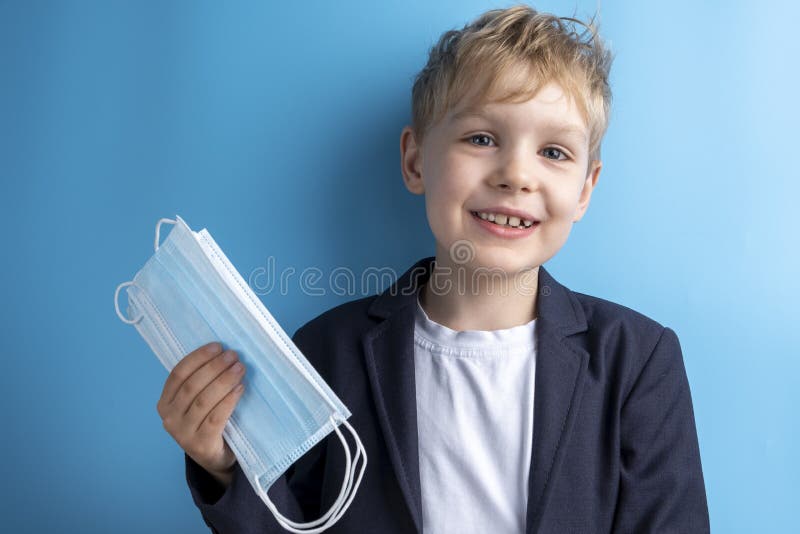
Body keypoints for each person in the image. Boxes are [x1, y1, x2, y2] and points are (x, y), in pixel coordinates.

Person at [156, 4, 710, 533]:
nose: (517, 175)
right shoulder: (325, 352)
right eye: (482, 139)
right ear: (416, 161)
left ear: (585, 189)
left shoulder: (639, 361)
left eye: (554, 153)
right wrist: (223, 466)